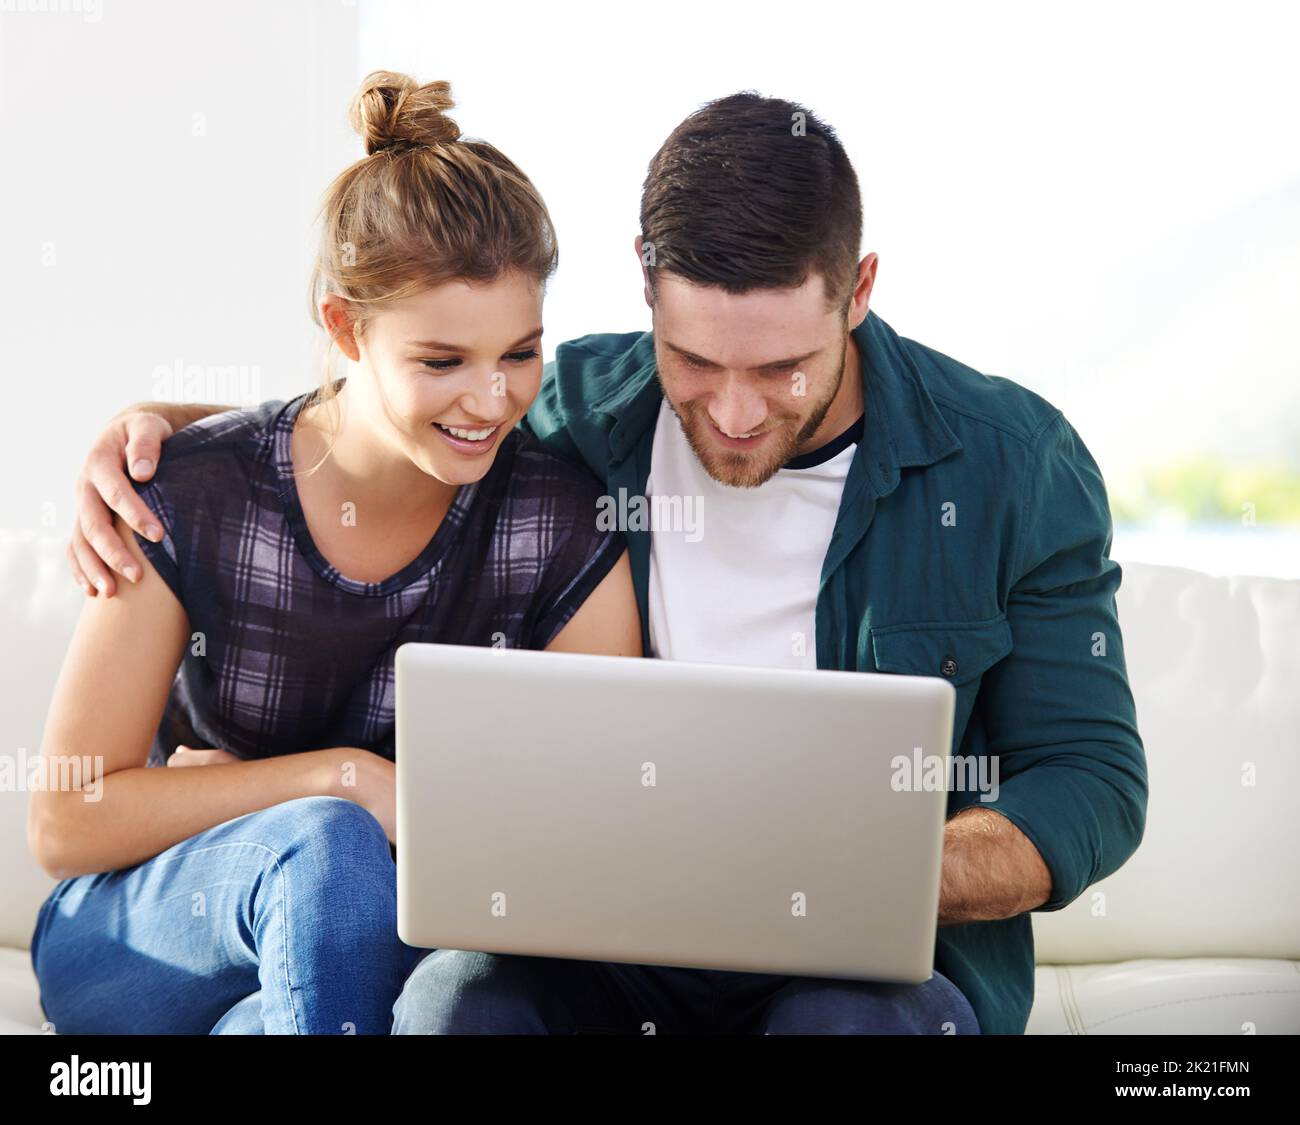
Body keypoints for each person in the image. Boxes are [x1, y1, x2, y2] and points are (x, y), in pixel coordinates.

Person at [65, 92, 1148, 1036]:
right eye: (693, 360)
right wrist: (156, 434)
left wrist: (864, 875)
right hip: (605, 955)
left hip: (861, 966)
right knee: (453, 1007)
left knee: (845, 1022)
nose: (730, 413)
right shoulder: (575, 410)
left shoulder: (1013, 468)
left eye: (781, 369)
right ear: (644, 288)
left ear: (857, 291)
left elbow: (1091, 780)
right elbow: (386, 415)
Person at [28, 70, 640, 1035]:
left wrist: (231, 788)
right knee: (329, 842)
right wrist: (340, 775)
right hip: (142, 936)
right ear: (344, 327)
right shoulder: (189, 491)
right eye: (442, 361)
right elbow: (66, 822)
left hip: (364, 960)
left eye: (519, 353)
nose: (491, 399)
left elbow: (585, 833)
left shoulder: (559, 525)